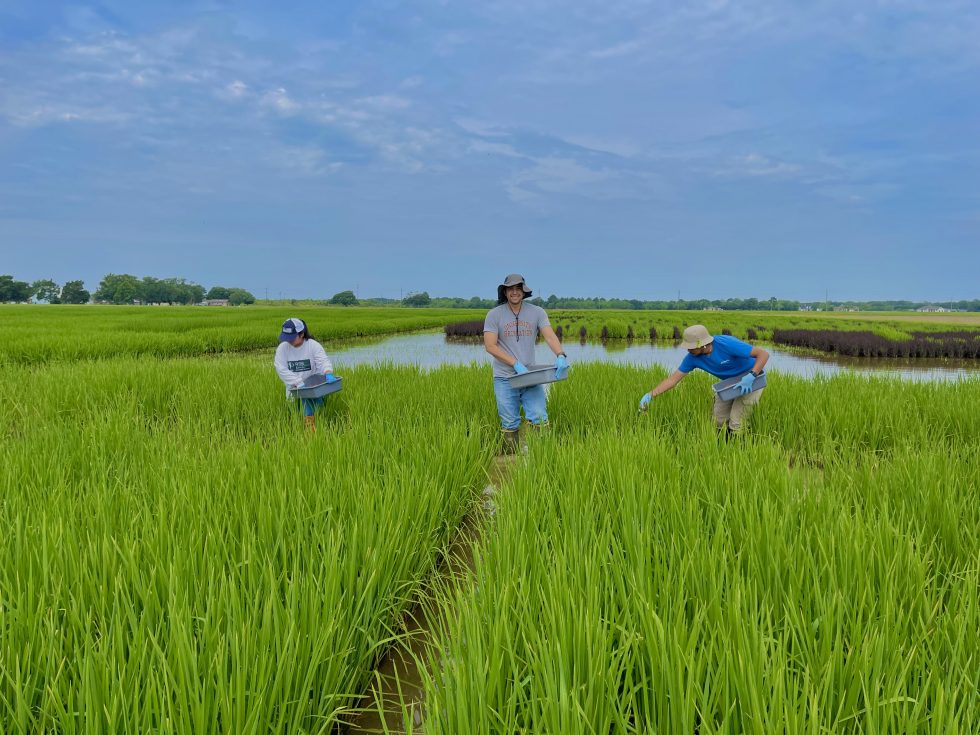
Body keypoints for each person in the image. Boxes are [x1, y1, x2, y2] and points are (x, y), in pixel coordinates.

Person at [483, 274, 569, 451]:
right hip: (504, 377)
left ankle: (542, 458)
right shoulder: (494, 315)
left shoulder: (537, 312)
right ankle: (509, 463)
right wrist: (514, 363)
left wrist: (560, 354)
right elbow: (490, 346)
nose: (514, 292)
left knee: (539, 417)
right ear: (505, 292)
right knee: (509, 422)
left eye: (518, 288)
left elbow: (550, 336)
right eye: (510, 288)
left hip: (530, 376)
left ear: (524, 291)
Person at [638, 324, 769, 436]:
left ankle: (738, 452)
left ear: (703, 344)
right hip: (729, 384)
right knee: (718, 420)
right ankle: (721, 449)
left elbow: (763, 354)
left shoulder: (726, 343)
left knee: (737, 422)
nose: (688, 349)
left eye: (691, 346)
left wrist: (752, 375)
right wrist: (650, 394)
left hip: (752, 380)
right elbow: (673, 380)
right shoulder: (692, 357)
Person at [273, 317, 338, 431]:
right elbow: (280, 368)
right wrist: (298, 383)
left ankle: (317, 429)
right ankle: (305, 431)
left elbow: (322, 360)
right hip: (293, 387)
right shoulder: (283, 348)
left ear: (302, 334)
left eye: (292, 338)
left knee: (318, 410)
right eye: (287, 338)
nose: (289, 341)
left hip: (313, 386)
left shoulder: (312, 345)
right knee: (296, 412)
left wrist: (328, 372)